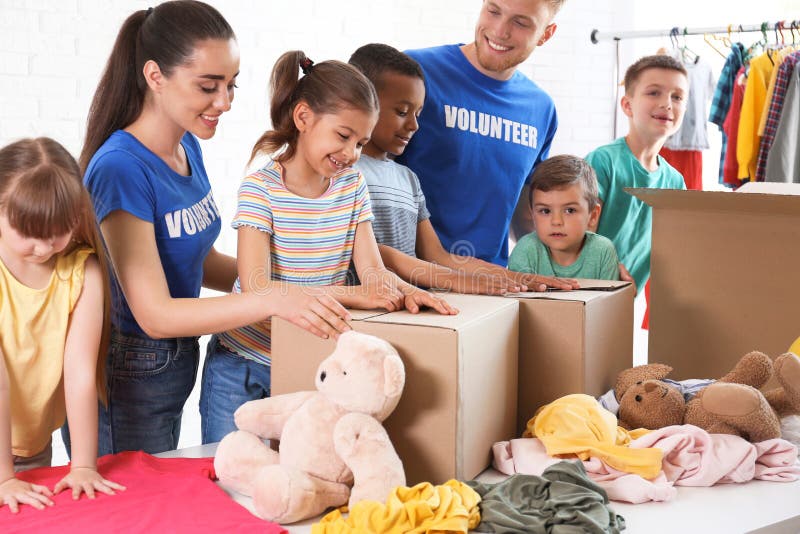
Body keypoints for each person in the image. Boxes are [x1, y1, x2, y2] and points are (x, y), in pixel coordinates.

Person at [77, 1, 351, 456]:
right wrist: (271, 298)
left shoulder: (186, 143)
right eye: (208, 86)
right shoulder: (120, 168)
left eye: (231, 84)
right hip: (131, 368)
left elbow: (196, 260)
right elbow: (155, 315)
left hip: (173, 363)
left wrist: (293, 288)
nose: (224, 102)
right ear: (155, 76)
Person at [199, 51, 456, 444]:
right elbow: (257, 288)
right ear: (303, 118)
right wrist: (355, 294)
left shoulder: (352, 186)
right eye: (343, 136)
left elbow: (372, 271)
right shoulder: (261, 190)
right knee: (229, 468)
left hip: (310, 358)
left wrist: (408, 291)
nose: (351, 154)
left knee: (298, 468)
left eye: (361, 142)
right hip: (243, 363)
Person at [348, 43, 577, 294]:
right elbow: (372, 255)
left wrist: (515, 277)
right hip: (359, 307)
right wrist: (459, 280)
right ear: (362, 101)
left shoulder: (408, 179)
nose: (414, 125)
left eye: (419, 114)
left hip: (405, 304)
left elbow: (437, 255)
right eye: (402, 112)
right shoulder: (343, 174)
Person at [0, 138, 125, 513]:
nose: (43, 247)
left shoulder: (82, 271)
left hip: (32, 446)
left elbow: (80, 373)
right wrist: (4, 477)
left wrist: (84, 465)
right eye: (29, 232)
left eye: (57, 231)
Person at [396, 0, 565, 270]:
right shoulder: (415, 72)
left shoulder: (541, 109)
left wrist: (578, 259)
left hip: (490, 281)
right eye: (493, 11)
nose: (500, 31)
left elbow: (524, 215)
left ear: (546, 34)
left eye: (520, 22)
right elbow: (364, 174)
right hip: (406, 278)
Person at [586, 55, 689, 292]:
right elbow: (578, 237)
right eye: (654, 93)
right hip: (587, 295)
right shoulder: (603, 162)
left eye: (677, 97)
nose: (667, 104)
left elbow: (678, 249)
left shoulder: (675, 181)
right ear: (627, 105)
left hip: (626, 300)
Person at [508, 154, 620, 279]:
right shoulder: (525, 251)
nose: (556, 221)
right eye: (545, 211)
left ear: (593, 215)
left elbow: (613, 293)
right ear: (533, 213)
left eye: (570, 210)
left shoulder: (603, 251)